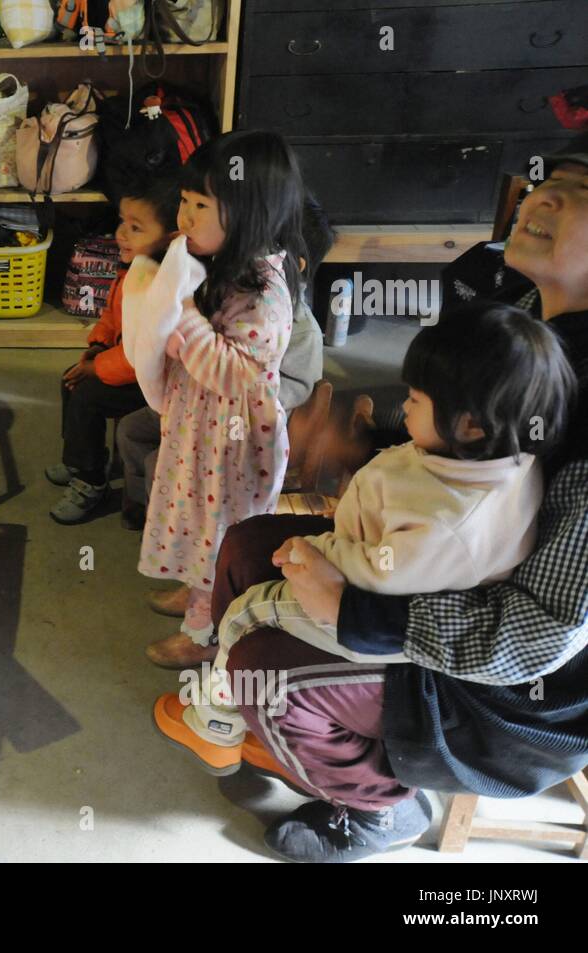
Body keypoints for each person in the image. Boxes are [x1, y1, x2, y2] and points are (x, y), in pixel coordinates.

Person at [207, 134, 588, 862]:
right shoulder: (517, 309)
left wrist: (361, 614)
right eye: (554, 180)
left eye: (581, 195)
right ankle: (285, 736)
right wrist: (361, 452)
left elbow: (542, 635)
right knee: (249, 544)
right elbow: (463, 446)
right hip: (444, 567)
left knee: (268, 667)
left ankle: (382, 811)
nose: (543, 196)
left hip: (513, 693)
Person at [154, 303, 576, 774]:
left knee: (246, 616)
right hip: (370, 570)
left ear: (472, 423)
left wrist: (316, 553)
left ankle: (218, 722)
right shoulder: (489, 453)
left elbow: (382, 574)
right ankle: (248, 714)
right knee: (247, 556)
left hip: (374, 610)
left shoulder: (452, 527)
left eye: (416, 399)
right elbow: (415, 469)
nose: (406, 403)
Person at [126, 131, 308, 650]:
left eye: (200, 205)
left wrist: (179, 315)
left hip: (232, 442)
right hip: (201, 430)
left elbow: (236, 373)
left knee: (218, 531)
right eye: (184, 201)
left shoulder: (266, 294)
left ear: (249, 212)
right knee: (194, 514)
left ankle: (203, 632)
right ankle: (194, 592)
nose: (184, 216)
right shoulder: (223, 266)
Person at [48, 179, 180, 524]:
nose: (122, 233)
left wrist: (99, 368)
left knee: (87, 395)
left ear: (170, 238)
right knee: (71, 380)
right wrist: (98, 346)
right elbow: (111, 314)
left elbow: (146, 354)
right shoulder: (134, 267)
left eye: (136, 228)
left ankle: (91, 480)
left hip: (152, 383)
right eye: (122, 221)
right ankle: (78, 458)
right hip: (122, 361)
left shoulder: (161, 282)